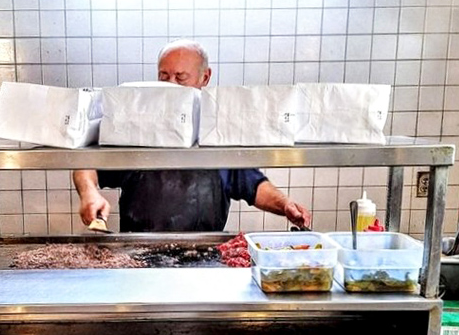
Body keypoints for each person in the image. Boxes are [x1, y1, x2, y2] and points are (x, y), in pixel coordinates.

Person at [73, 39, 312, 232]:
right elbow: (87, 165)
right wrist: (89, 193)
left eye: (180, 78)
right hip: (139, 256)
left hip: (202, 256)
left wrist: (285, 205)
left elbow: (253, 185)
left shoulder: (217, 133)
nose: (170, 85)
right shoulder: (139, 126)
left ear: (205, 78)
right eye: (164, 76)